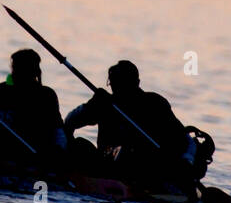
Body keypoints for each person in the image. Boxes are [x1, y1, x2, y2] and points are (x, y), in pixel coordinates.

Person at [64, 60, 194, 189]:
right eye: (114, 84)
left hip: (144, 167)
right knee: (80, 144)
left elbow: (186, 140)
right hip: (107, 164)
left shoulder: (155, 103)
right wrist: (89, 106)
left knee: (128, 155)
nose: (117, 89)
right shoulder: (105, 103)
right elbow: (70, 121)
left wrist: (186, 162)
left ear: (136, 83)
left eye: (122, 83)